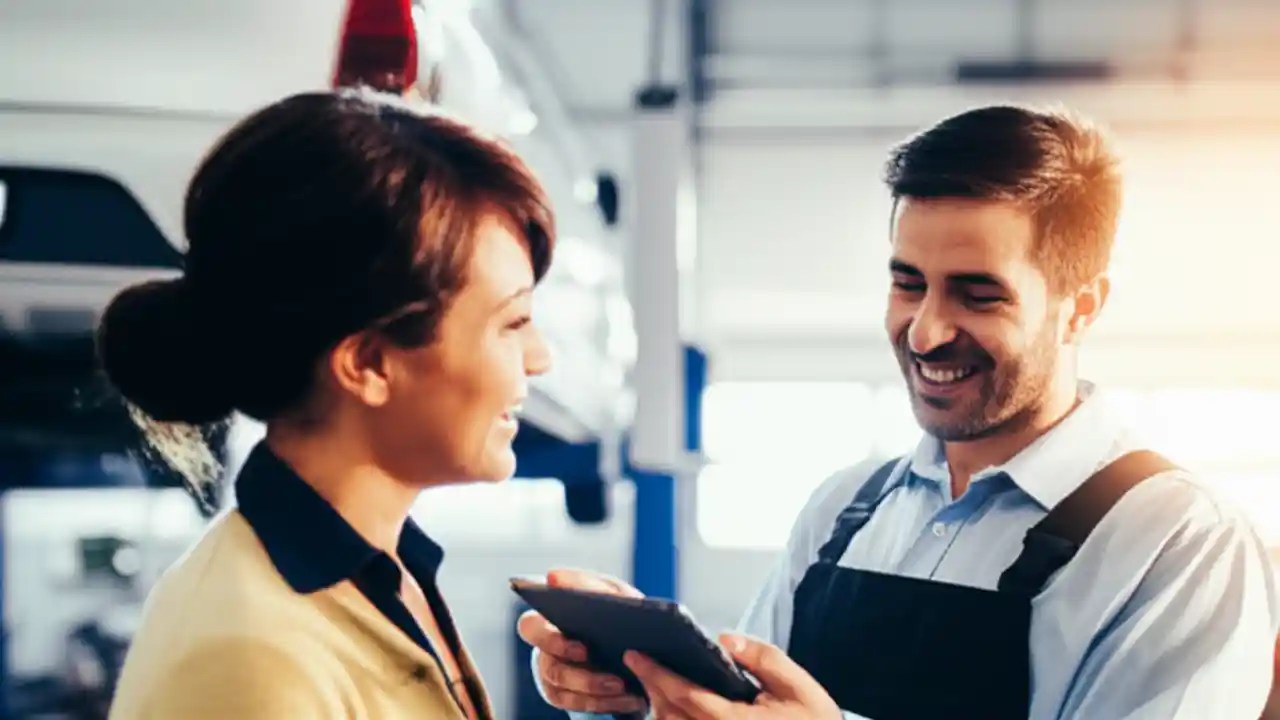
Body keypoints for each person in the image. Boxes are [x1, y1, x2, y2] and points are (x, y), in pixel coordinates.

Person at [519, 105, 1280, 719]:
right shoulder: (845, 510)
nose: (925, 332)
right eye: (908, 283)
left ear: (1080, 308)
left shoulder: (1179, 544)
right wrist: (641, 688)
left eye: (977, 294)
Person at [102, 88, 554, 719]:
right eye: (513, 323)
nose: (539, 358)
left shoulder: (382, 574)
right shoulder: (254, 659)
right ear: (367, 364)